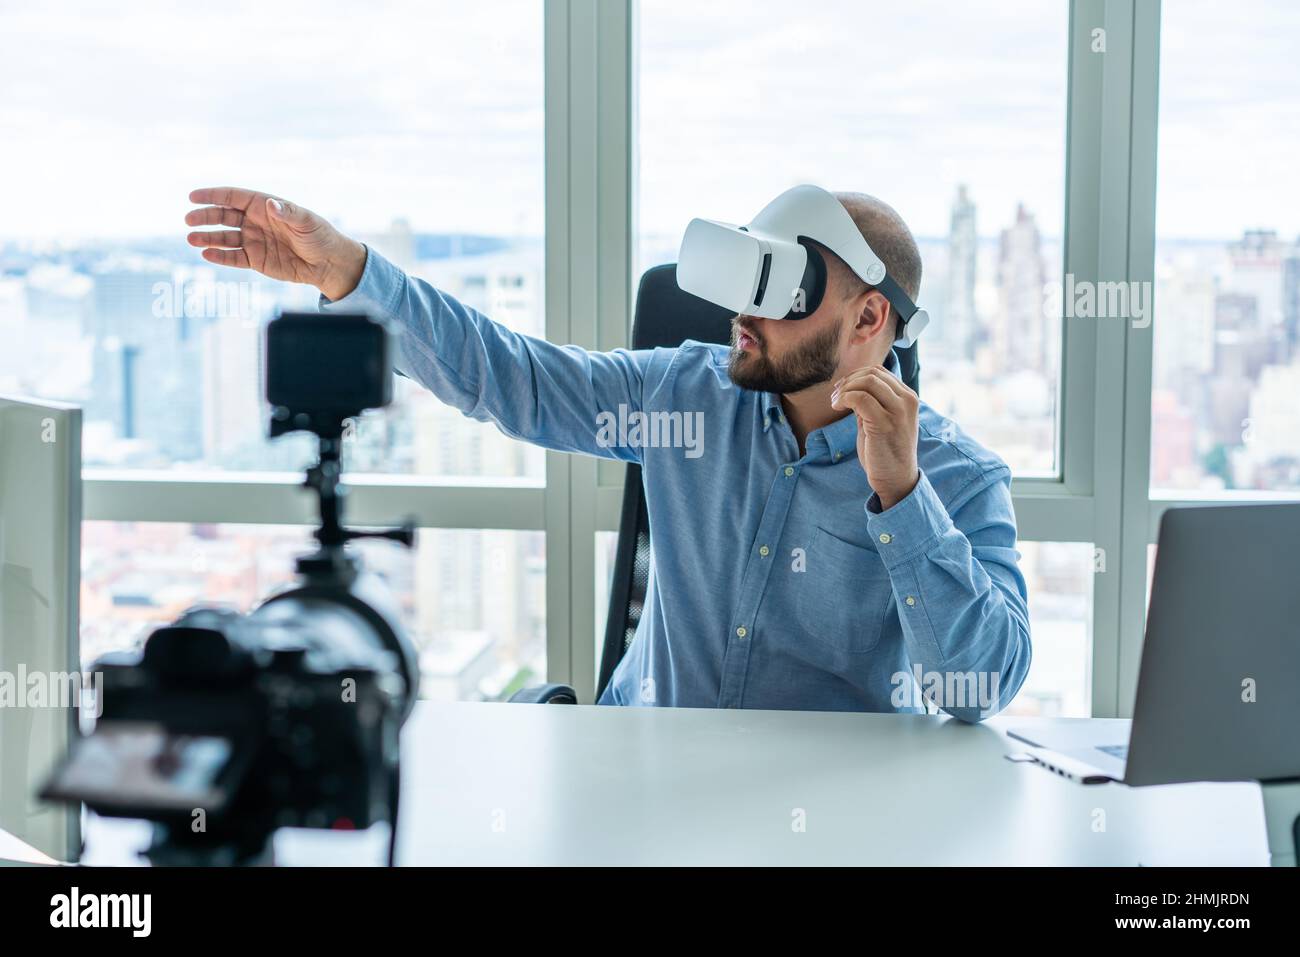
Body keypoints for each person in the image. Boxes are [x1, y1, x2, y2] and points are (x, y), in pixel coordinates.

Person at [184, 186, 1030, 721]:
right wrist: (352, 273)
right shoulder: (688, 397)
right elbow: (513, 377)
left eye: (783, 290)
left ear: (869, 321)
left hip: (823, 816)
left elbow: (981, 688)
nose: (743, 315)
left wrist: (903, 498)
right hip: (641, 773)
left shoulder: (956, 478)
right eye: (746, 279)